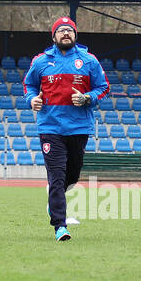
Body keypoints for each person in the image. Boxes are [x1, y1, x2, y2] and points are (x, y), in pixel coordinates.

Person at [23, 16, 109, 241]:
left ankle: (54, 198)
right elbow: (29, 85)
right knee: (57, 176)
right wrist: (32, 100)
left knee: (72, 176)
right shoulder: (41, 61)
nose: (65, 34)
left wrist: (88, 98)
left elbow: (103, 87)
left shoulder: (89, 60)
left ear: (75, 35)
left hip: (79, 127)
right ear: (54, 36)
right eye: (61, 31)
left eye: (69, 30)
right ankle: (60, 225)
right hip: (50, 127)